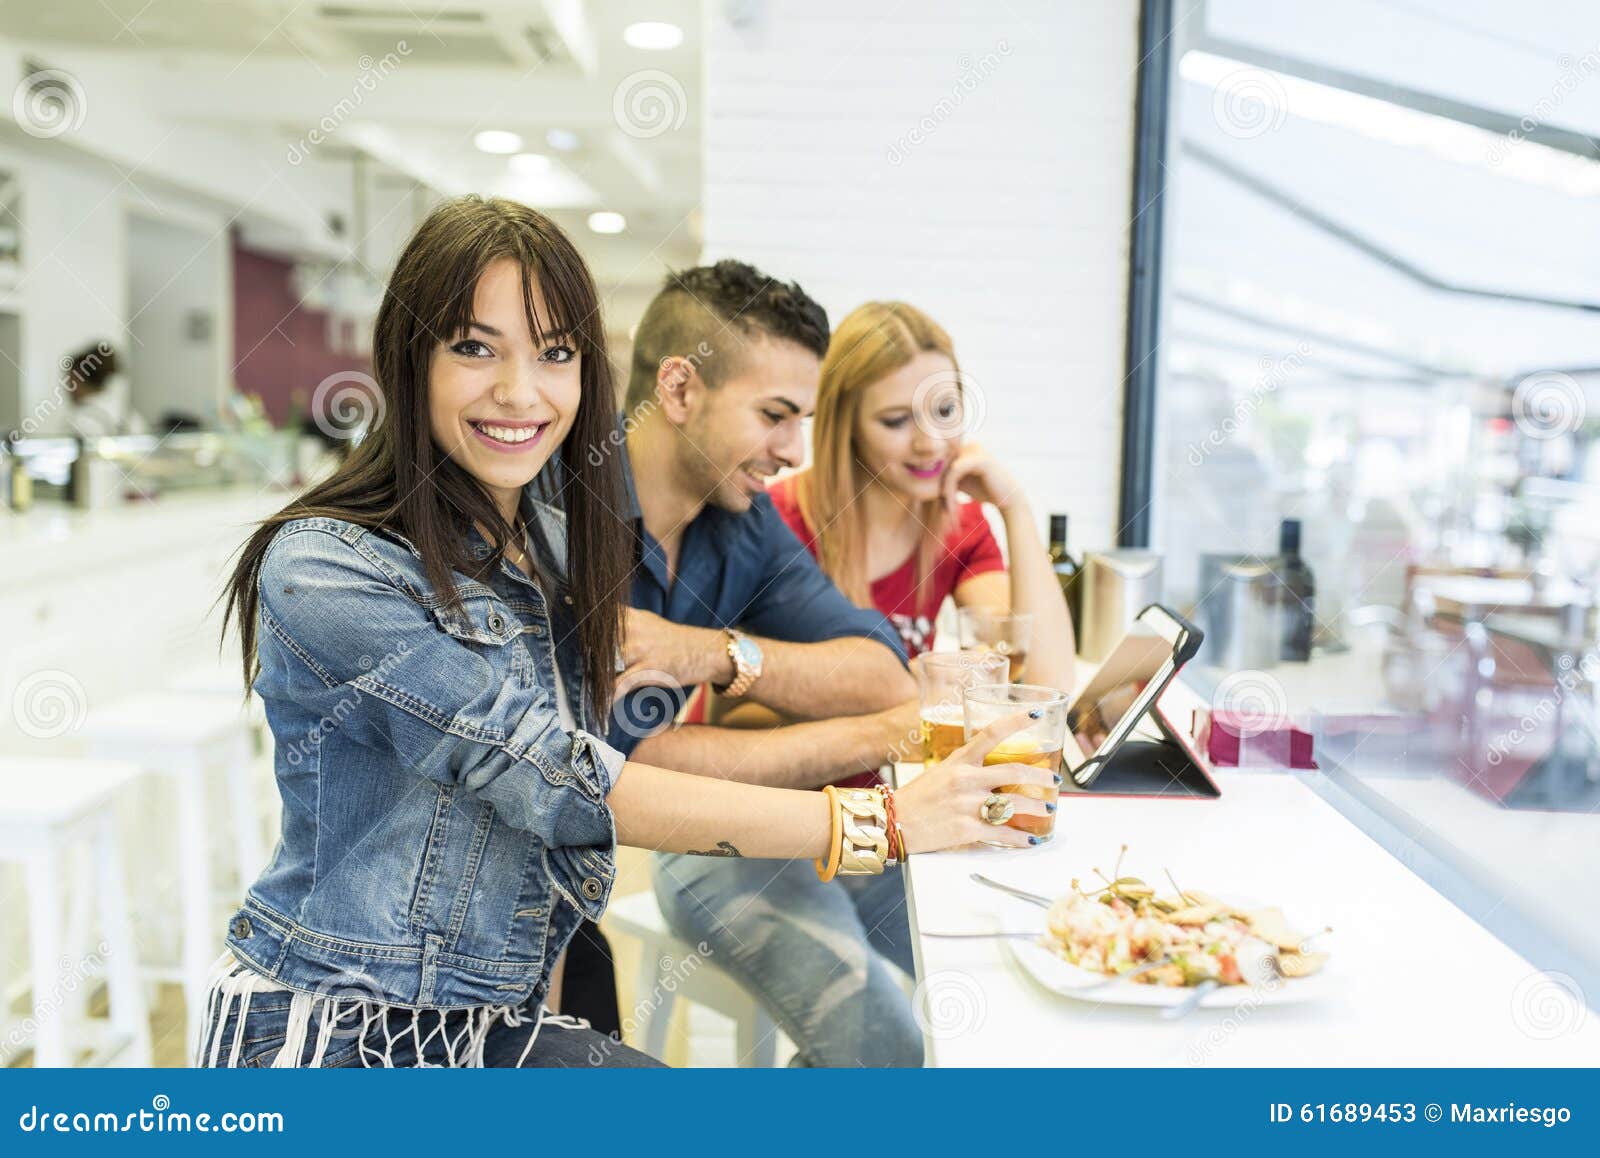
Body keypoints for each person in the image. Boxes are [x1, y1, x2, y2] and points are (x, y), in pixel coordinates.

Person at [197, 196, 1052, 1069]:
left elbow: (561, 845)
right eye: (473, 347)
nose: (519, 391)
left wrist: (745, 672)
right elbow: (566, 781)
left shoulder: (556, 539)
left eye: (555, 354)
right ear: (407, 357)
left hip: (494, 1024)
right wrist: (880, 816)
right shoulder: (326, 564)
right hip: (336, 1039)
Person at [644, 297, 1079, 1067]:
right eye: (896, 420)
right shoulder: (767, 517)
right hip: (748, 838)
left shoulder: (957, 529)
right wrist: (895, 723)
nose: (931, 441)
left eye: (945, 409)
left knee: (1010, 986)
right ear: (842, 421)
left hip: (886, 827)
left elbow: (1038, 693)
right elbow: (719, 740)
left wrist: (1013, 506)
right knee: (883, 1043)